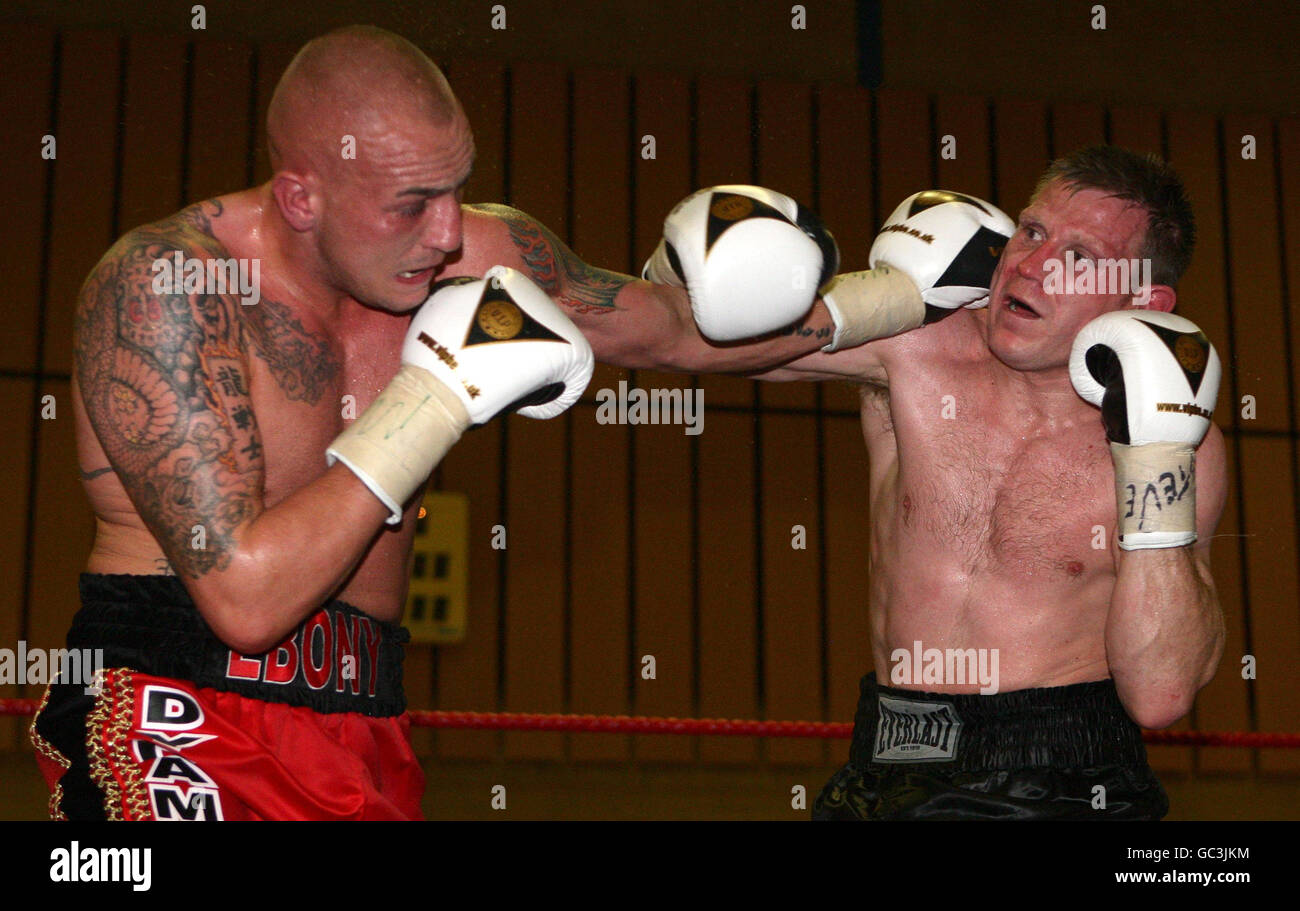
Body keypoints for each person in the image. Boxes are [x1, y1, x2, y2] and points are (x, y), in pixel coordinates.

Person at [30, 25, 709, 821]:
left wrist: (886, 306)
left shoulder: (465, 258)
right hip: (171, 703)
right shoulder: (168, 283)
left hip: (365, 723)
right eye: (412, 203)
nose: (449, 231)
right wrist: (435, 399)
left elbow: (673, 330)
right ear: (301, 197)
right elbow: (245, 603)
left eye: (458, 189)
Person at [611, 149, 1227, 819]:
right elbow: (671, 336)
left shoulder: (1176, 434)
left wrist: (1154, 454)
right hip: (889, 758)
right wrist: (688, 258)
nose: (1030, 265)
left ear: (1145, 300)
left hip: (1066, 780)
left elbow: (1162, 692)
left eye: (1079, 257)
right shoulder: (917, 340)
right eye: (1032, 231)